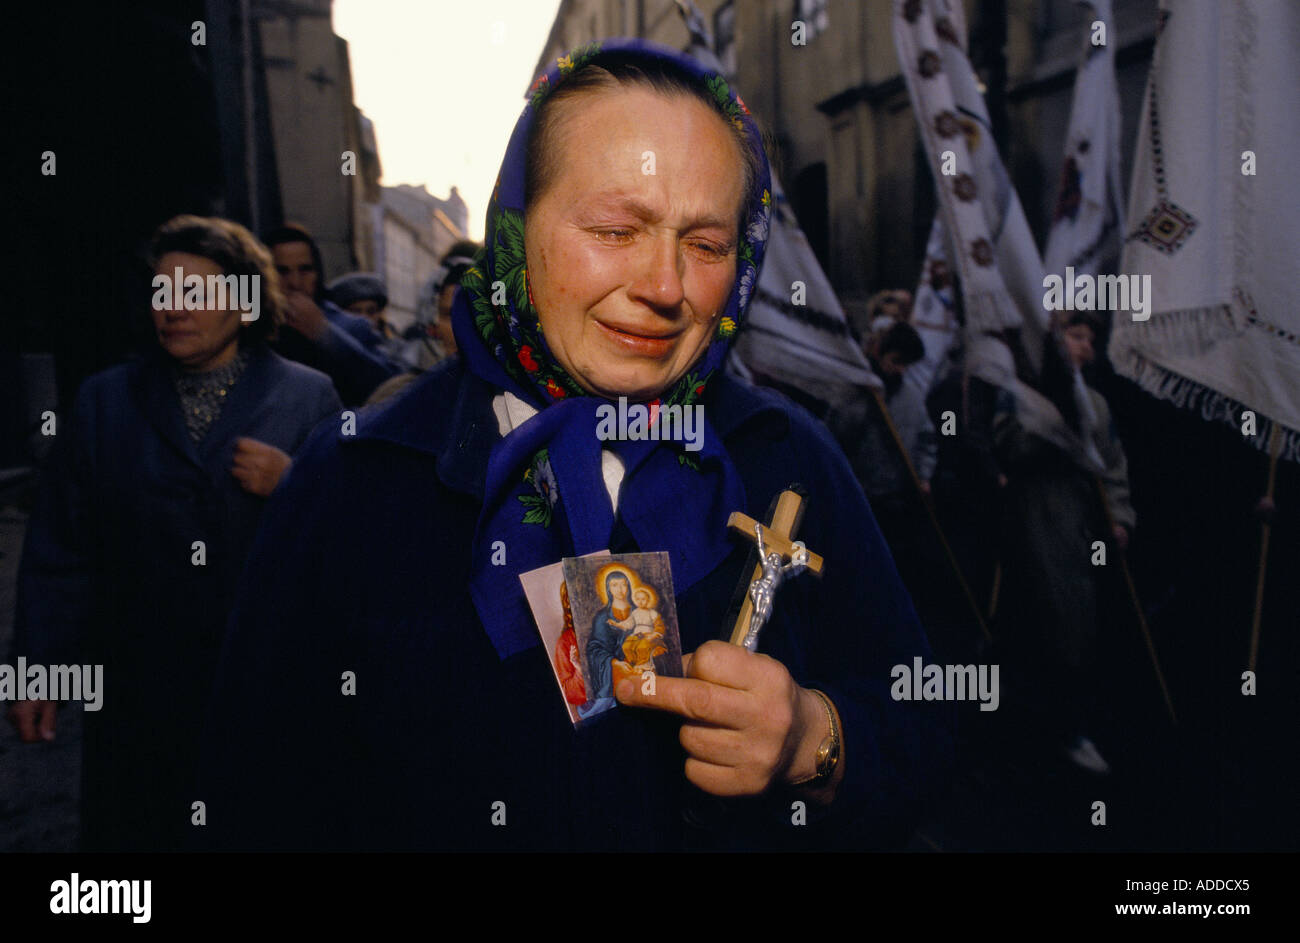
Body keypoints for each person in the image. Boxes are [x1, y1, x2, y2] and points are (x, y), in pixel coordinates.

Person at [202, 41, 951, 851]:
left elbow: (924, 730)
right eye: (613, 228)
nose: (664, 286)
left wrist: (816, 739)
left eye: (704, 245)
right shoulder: (357, 478)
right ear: (518, 228)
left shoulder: (786, 457)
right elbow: (253, 796)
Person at [8, 215, 341, 851]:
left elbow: (352, 550)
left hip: (261, 696)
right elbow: (59, 549)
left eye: (196, 294)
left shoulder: (309, 398)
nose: (173, 310)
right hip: (139, 700)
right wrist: (38, 671)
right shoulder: (106, 402)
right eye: (162, 293)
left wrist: (297, 486)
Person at [993, 310, 1134, 774]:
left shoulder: (1094, 403)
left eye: (1091, 340)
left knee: (1078, 625)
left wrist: (1119, 517)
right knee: (1031, 624)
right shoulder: (1026, 396)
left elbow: (1112, 463)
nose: (1085, 347)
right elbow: (1004, 446)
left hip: (1082, 532)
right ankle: (1015, 729)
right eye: (1076, 336)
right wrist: (1050, 431)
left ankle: (1070, 725)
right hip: (1033, 524)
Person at [264, 224, 401, 405]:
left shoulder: (350, 327)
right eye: (282, 271)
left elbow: (391, 385)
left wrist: (324, 333)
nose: (295, 282)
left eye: (305, 270)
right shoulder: (252, 325)